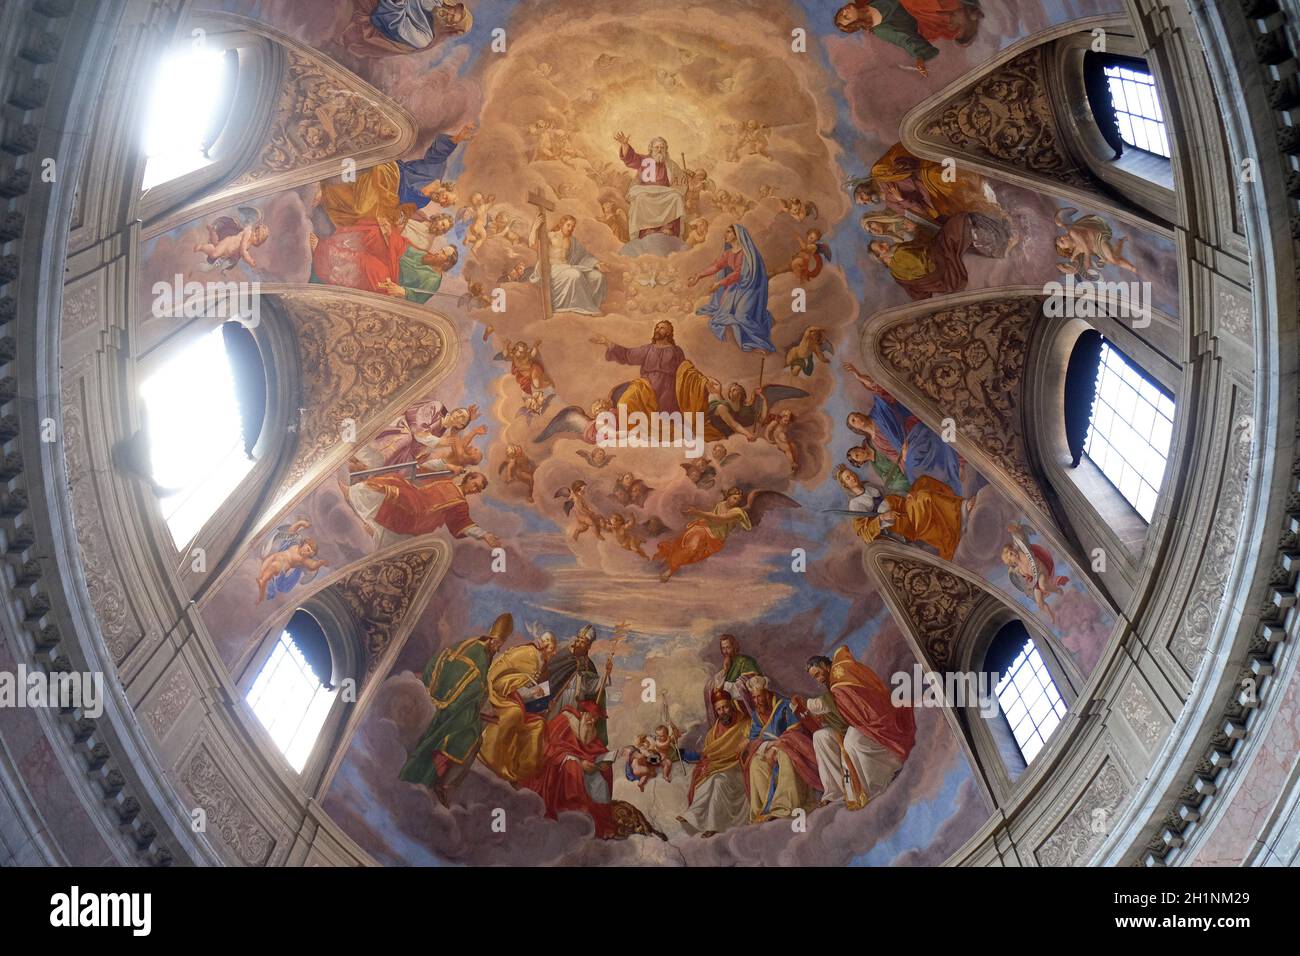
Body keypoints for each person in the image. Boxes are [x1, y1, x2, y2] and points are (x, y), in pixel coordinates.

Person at [398, 613, 513, 804]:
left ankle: (438, 781)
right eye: (498, 642)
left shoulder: (472, 646)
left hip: (451, 702)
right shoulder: (479, 654)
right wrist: (475, 702)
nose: (498, 647)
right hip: (454, 707)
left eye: (500, 643)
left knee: (469, 735)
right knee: (469, 737)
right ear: (492, 638)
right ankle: (437, 782)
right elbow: (472, 684)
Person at [795, 649, 915, 809]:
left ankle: (868, 789)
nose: (819, 680)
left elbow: (852, 703)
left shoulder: (841, 672)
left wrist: (815, 705)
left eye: (817, 674)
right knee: (820, 736)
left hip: (874, 723)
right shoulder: (834, 680)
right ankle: (835, 791)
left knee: (852, 742)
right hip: (855, 722)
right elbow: (843, 710)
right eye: (815, 677)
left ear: (824, 665)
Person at [479, 632, 558, 785]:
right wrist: (529, 691)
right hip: (500, 694)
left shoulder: (542, 662)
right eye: (552, 649)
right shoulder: (527, 654)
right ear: (544, 645)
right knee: (514, 714)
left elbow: (529, 689)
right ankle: (492, 758)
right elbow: (500, 674)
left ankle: (519, 772)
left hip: (517, 699)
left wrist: (543, 701)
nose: (554, 653)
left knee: (538, 725)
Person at [689, 224, 776, 354]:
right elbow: (716, 266)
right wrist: (698, 276)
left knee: (741, 316)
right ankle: (750, 338)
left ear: (737, 235)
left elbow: (739, 274)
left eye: (729, 232)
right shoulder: (729, 253)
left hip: (751, 288)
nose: (726, 235)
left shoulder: (747, 253)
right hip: (738, 287)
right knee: (723, 314)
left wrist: (719, 284)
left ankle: (760, 342)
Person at [676, 689, 751, 837]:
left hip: (739, 771)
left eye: (725, 707)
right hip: (719, 770)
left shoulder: (745, 724)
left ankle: (714, 825)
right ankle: (693, 815)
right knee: (706, 782)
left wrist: (741, 750)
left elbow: (750, 746)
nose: (723, 712)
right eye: (719, 709)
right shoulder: (713, 732)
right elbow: (708, 755)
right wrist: (705, 766)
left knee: (718, 782)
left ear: (731, 705)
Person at [529, 214, 608, 315]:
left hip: (567, 267)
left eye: (573, 226)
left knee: (597, 277)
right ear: (562, 224)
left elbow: (583, 256)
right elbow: (532, 245)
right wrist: (535, 227)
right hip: (553, 268)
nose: (571, 228)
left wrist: (596, 263)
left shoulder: (572, 241)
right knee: (575, 275)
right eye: (568, 225)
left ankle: (592, 304)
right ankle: (584, 308)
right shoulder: (551, 235)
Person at [613, 133, 687, 238]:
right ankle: (647, 229)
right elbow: (631, 159)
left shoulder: (670, 164)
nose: (659, 150)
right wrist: (625, 145)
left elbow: (681, 179)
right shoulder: (644, 160)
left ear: (666, 149)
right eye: (656, 147)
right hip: (646, 191)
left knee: (675, 197)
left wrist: (683, 179)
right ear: (651, 149)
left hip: (665, 193)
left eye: (662, 147)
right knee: (641, 199)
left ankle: (668, 227)